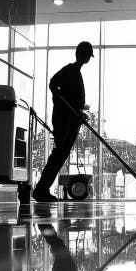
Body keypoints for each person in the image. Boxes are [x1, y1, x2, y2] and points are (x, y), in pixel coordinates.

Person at [33, 41, 94, 202]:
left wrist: (80, 112)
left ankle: (42, 189)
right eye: (87, 55)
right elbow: (53, 84)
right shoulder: (70, 70)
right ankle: (41, 189)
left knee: (61, 154)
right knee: (59, 154)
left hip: (72, 120)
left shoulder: (75, 71)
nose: (87, 58)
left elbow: (73, 100)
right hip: (64, 120)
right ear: (83, 55)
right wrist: (63, 102)